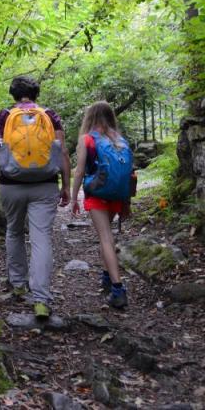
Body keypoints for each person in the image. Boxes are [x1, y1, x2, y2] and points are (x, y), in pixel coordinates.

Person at [0, 76, 71, 319]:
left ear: (13, 94)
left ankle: (18, 284)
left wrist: (12, 159)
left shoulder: (5, 115)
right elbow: (62, 152)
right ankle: (41, 300)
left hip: (11, 185)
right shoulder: (50, 115)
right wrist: (66, 186)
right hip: (45, 184)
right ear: (36, 94)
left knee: (14, 231)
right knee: (41, 238)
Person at [71, 101, 132, 309]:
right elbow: (128, 173)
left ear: (90, 117)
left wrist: (74, 198)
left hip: (97, 194)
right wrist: (126, 201)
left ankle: (118, 289)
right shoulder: (119, 139)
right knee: (106, 237)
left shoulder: (87, 139)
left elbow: (80, 171)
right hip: (117, 195)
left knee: (106, 238)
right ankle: (106, 277)